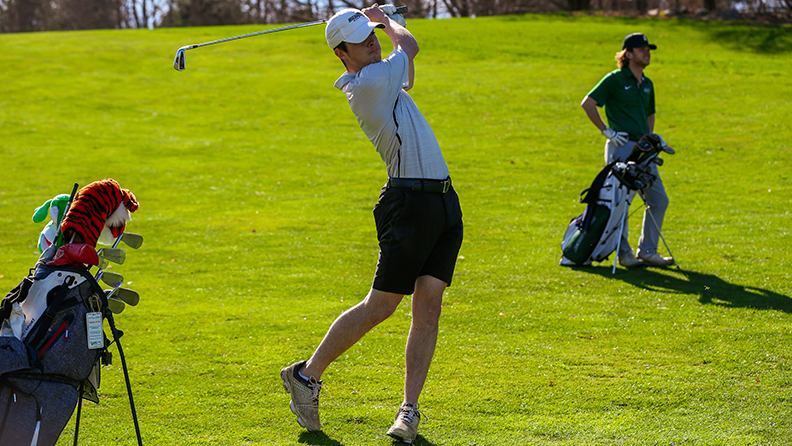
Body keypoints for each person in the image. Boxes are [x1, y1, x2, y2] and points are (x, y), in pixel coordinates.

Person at [280, 5, 464, 443]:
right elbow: (411, 45)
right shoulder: (370, 83)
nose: (372, 40)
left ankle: (409, 411)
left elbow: (409, 69)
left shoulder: (382, 74)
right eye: (362, 38)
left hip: (442, 202)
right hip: (409, 203)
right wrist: (385, 17)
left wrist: (381, 22)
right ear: (341, 52)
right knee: (382, 305)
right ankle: (306, 375)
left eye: (372, 34)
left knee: (429, 308)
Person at [580, 32, 674, 268]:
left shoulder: (648, 83)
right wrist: (606, 131)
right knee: (621, 202)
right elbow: (588, 103)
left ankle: (648, 250)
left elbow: (650, 113)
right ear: (628, 54)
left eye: (648, 49)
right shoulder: (614, 79)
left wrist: (649, 141)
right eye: (642, 49)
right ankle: (624, 254)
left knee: (659, 199)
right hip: (621, 147)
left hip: (643, 151)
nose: (647, 53)